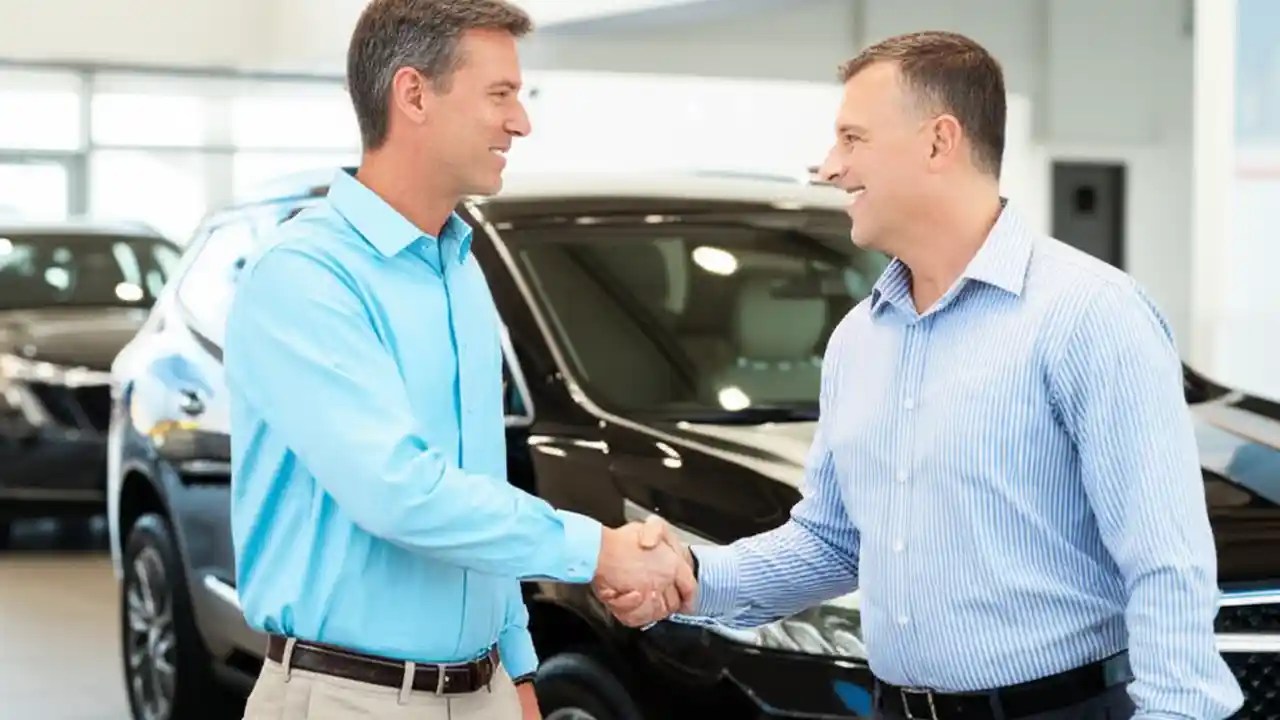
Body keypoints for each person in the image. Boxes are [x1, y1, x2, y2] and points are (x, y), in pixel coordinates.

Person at [599, 30, 1245, 720]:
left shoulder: (1088, 314)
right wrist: (695, 576)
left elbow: (1165, 562)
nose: (828, 167)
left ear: (940, 142)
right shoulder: (859, 339)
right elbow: (831, 541)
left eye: (853, 139)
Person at [222, 1, 692, 718]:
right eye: (500, 95)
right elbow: (399, 491)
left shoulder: (458, 269)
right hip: (350, 698)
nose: (520, 122)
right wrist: (599, 550)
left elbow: (474, 488)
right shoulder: (306, 276)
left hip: (484, 692)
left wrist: (518, 670)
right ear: (413, 94)